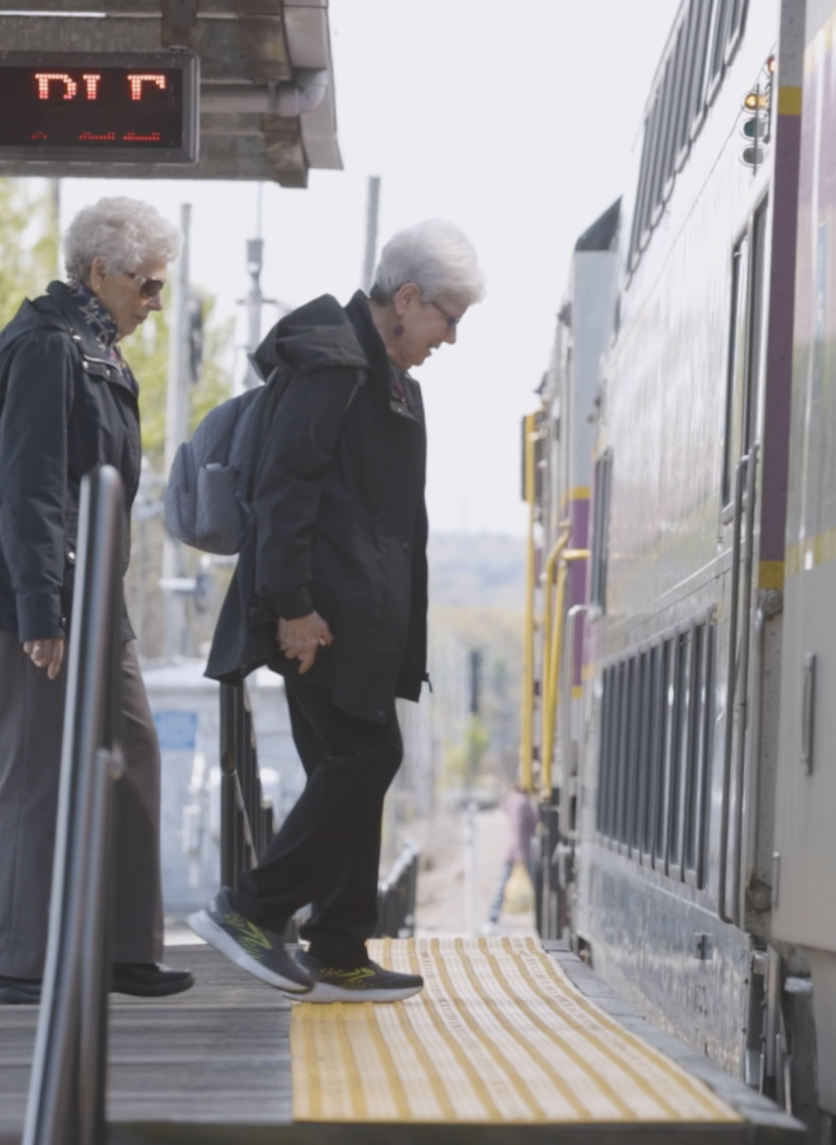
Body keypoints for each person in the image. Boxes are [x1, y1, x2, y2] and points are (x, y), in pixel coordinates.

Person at [192, 219, 484, 1003]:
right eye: (448, 318)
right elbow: (286, 489)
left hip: (358, 620)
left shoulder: (384, 377)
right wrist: (291, 606)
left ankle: (341, 945)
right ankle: (252, 908)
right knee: (365, 759)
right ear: (408, 297)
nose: (451, 339)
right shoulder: (332, 364)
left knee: (348, 768)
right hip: (318, 618)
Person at [0, 197, 191, 1006]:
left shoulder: (96, 349)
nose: (156, 301)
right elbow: (28, 487)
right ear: (99, 272)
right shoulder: (46, 347)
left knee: (133, 753)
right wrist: (41, 607)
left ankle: (124, 948)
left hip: (95, 593)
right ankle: (14, 959)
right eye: (147, 284)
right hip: (46, 594)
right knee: (34, 768)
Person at [486, 785, 539, 929]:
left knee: (502, 884)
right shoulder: (522, 803)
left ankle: (492, 917)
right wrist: (520, 855)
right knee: (535, 886)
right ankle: (493, 918)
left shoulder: (512, 801)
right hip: (522, 852)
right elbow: (519, 830)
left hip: (511, 851)